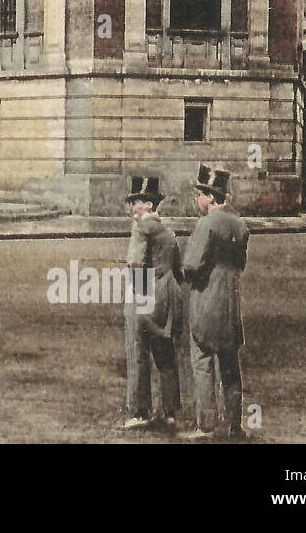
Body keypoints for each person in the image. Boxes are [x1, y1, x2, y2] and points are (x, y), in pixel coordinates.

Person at [182, 164, 250, 440]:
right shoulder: (240, 225)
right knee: (231, 366)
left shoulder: (205, 224)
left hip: (206, 302)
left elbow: (191, 266)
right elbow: (240, 264)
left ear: (211, 197)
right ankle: (235, 425)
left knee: (202, 363)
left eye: (200, 193)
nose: (197, 198)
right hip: (231, 305)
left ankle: (206, 425)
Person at [122, 176, 184, 432]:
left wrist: (137, 301)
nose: (132, 208)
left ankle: (139, 412)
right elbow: (177, 269)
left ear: (148, 204)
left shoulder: (141, 229)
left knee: (138, 353)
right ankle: (170, 411)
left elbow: (136, 265)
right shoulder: (168, 232)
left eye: (136, 202)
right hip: (167, 297)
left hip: (145, 296)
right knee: (165, 353)